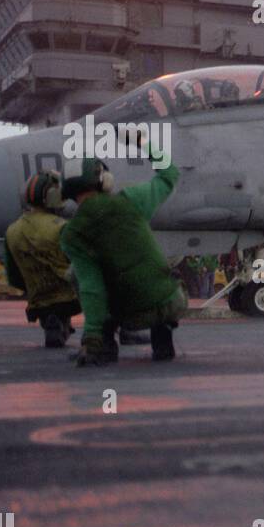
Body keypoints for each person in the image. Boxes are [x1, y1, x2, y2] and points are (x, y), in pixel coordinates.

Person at [59, 144, 186, 365]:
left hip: (129, 317)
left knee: (76, 275)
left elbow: (92, 289)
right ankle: (162, 330)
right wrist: (145, 144)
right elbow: (170, 174)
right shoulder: (131, 199)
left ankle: (105, 346)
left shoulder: (72, 234)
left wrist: (92, 338)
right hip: (171, 304)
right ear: (104, 180)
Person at [3, 171, 81, 347]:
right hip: (70, 298)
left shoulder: (11, 231)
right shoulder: (63, 227)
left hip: (38, 301)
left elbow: (13, 276)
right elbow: (81, 265)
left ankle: (51, 322)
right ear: (54, 197)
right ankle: (121, 330)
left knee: (51, 301)